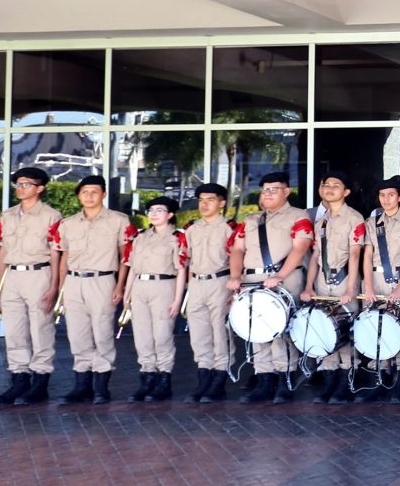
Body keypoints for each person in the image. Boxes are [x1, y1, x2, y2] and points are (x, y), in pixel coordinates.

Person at [225, 171, 315, 405]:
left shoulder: (298, 216)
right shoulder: (251, 220)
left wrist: (280, 275)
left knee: (280, 330)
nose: (267, 193)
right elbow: (237, 250)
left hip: (283, 280)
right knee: (256, 329)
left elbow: (300, 248)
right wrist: (235, 276)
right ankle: (263, 379)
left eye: (273, 189)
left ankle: (285, 379)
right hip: (251, 281)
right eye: (265, 189)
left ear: (286, 192)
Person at [56, 175, 136, 405]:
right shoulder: (68, 224)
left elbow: (125, 256)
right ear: (79, 195)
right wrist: (62, 288)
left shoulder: (118, 220)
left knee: (102, 333)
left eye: (94, 192)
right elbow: (65, 257)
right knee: (77, 335)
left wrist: (120, 285)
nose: (89, 196)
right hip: (73, 281)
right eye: (84, 192)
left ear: (103, 194)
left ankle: (101, 387)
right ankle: (82, 386)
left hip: (102, 281)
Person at [0, 167, 61, 406]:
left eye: (27, 184)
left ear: (40, 188)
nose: (21, 188)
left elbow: (56, 253)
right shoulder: (7, 216)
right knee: (14, 330)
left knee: (41, 328)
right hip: (12, 276)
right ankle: (19, 379)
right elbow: (2, 252)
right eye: (18, 184)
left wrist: (54, 286)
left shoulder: (52, 216)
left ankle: (40, 381)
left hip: (39, 274)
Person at [303, 172, 364, 404]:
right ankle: (329, 380)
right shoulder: (321, 221)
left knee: (346, 330)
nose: (329, 188)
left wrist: (350, 289)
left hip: (344, 280)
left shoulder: (355, 219)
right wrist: (309, 286)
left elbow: (356, 255)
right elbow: (315, 255)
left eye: (335, 185)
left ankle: (346, 383)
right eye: (326, 185)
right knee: (324, 330)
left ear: (346, 192)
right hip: (322, 282)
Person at [359, 177, 400, 402]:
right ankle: (379, 379)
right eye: (382, 195)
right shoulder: (371, 222)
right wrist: (368, 285)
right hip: (374, 279)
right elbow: (367, 254)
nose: (386, 199)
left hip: (399, 278)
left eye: (391, 195)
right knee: (376, 329)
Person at [122, 197, 188, 402]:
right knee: (142, 336)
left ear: (170, 215)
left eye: (159, 210)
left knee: (162, 335)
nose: (153, 214)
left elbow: (181, 270)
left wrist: (178, 300)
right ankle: (147, 378)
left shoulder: (177, 237)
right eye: (150, 210)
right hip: (140, 286)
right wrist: (127, 293)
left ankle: (163, 379)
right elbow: (133, 267)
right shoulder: (141, 237)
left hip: (164, 285)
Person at [181, 183, 236, 403]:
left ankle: (218, 381)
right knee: (199, 333)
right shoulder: (192, 229)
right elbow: (187, 261)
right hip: (196, 283)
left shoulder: (230, 228)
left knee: (220, 333)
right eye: (201, 200)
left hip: (220, 282)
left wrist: (235, 287)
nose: (204, 204)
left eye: (210, 200)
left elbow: (236, 257)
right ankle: (203, 378)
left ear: (222, 203)